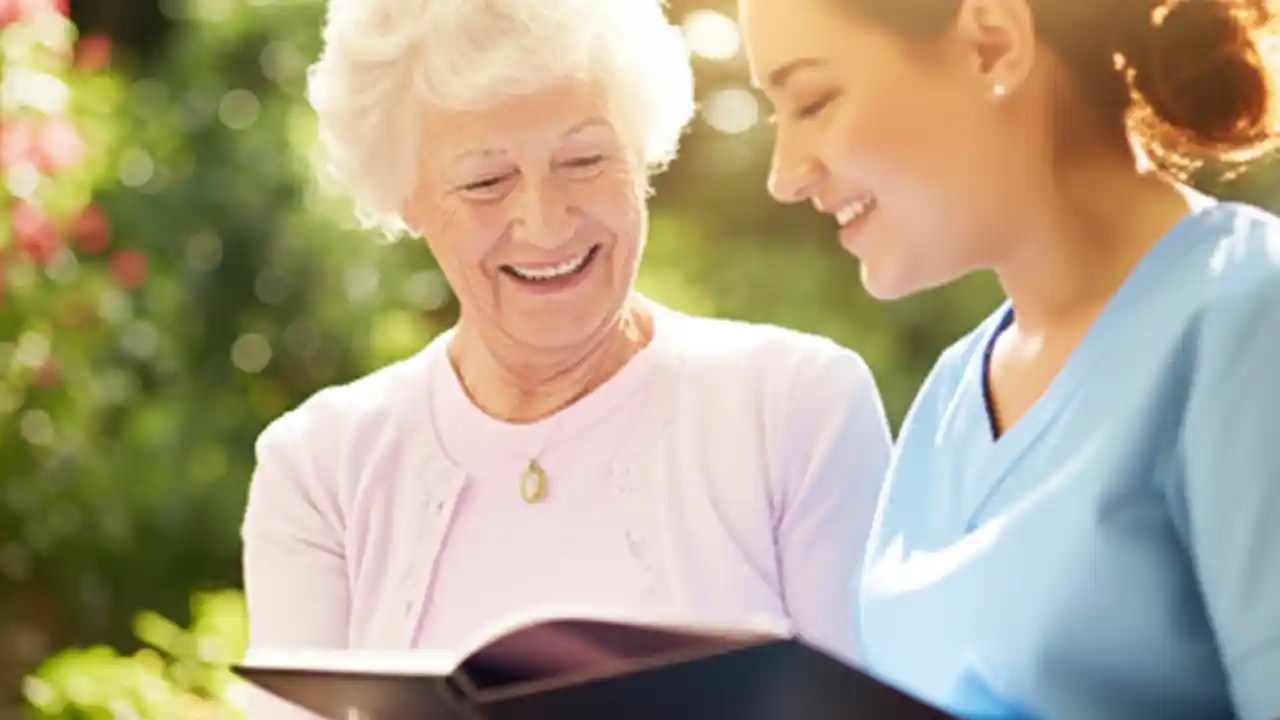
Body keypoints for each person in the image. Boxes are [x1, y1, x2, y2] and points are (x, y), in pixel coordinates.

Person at [241, 0, 892, 714]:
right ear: (408, 200)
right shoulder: (319, 468)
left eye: (584, 160)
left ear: (641, 154)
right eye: (487, 181)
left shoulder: (798, 408)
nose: (546, 222)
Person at [741, 0, 1280, 717]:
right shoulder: (948, 402)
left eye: (814, 100)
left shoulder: (1248, 324)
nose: (783, 175)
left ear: (992, 46)